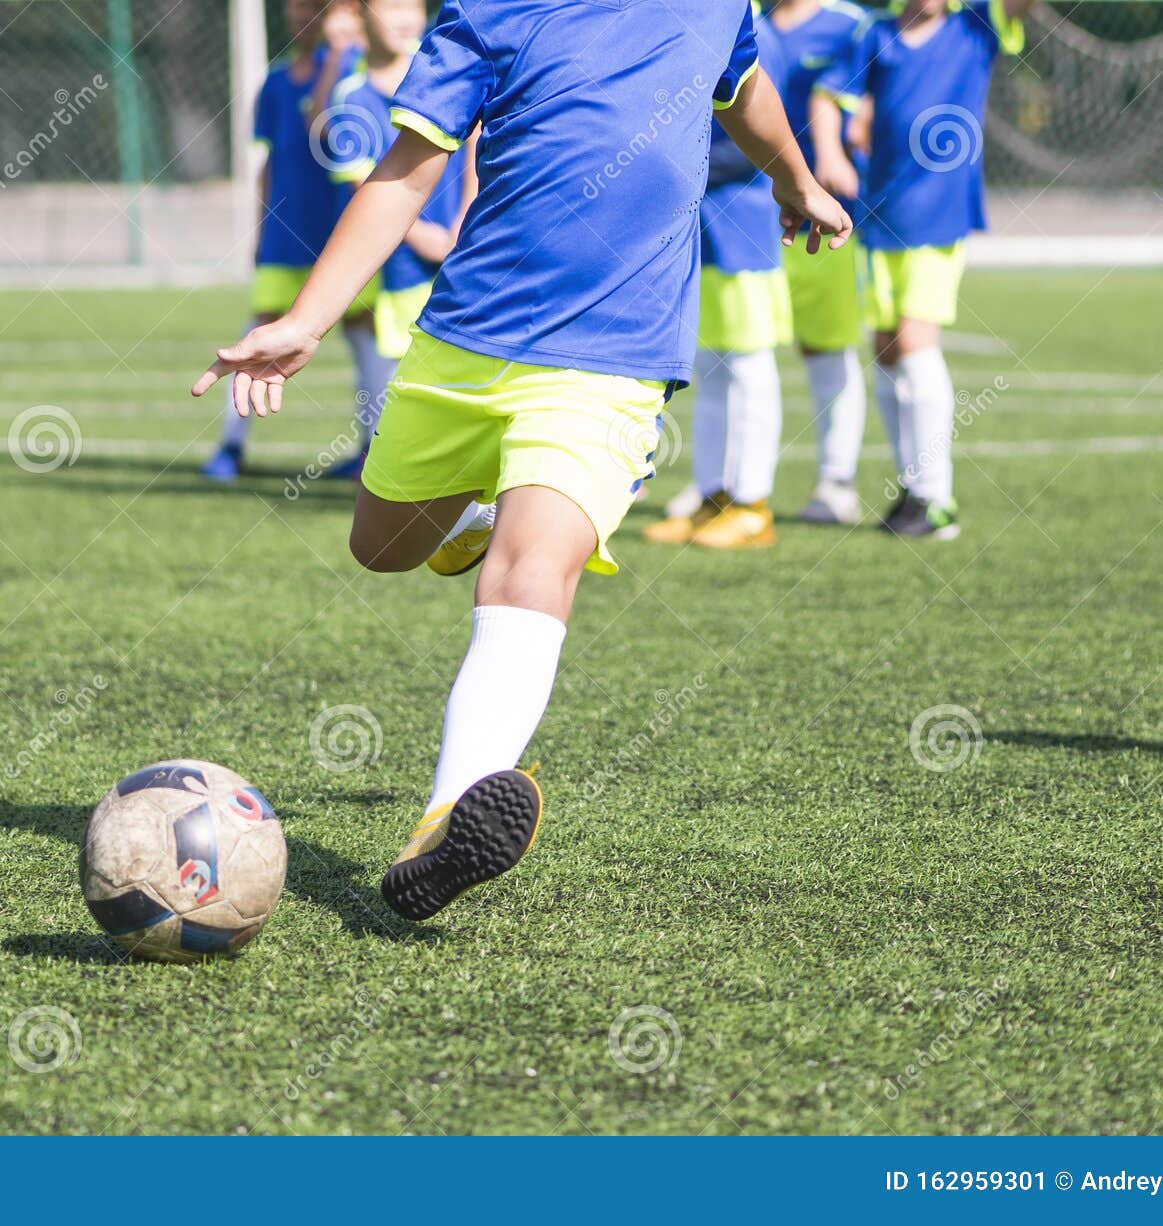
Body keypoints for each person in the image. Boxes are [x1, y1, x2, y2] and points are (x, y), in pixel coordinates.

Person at [192, 0, 851, 920]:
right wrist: (306, 318)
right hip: (466, 338)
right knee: (378, 546)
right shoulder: (490, 10)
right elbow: (406, 169)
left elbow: (743, 88)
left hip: (612, 362)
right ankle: (473, 514)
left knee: (533, 565)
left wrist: (795, 177)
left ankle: (447, 818)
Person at [812, 0, 1035, 538]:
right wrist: (831, 154)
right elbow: (827, 97)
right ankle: (912, 488)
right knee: (886, 348)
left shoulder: (975, 27)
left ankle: (938, 498)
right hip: (880, 215)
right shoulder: (876, 34)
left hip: (940, 218)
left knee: (914, 342)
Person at [201, 0, 383, 485]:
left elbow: (323, 127)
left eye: (314, 8)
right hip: (285, 235)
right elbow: (267, 162)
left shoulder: (354, 71)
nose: (303, 16)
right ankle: (230, 447)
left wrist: (343, 53)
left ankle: (371, 448)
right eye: (296, 8)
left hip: (340, 234)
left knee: (363, 330)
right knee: (258, 331)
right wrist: (261, 230)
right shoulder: (276, 82)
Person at [645, 6, 794, 551]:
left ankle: (752, 503)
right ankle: (715, 496)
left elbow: (754, 137)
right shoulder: (695, 23)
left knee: (750, 367)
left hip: (745, 228)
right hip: (702, 224)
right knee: (712, 366)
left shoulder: (751, 32)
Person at [318, 0, 478, 477]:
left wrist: (463, 222)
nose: (406, 17)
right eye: (392, 6)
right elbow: (366, 187)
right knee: (402, 386)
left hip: (465, 255)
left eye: (413, 5)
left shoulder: (440, 66)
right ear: (362, 14)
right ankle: (384, 461)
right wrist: (420, 234)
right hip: (403, 268)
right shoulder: (350, 97)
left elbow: (476, 142)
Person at [770, 0, 871, 526]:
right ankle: (720, 491)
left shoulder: (852, 24)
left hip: (826, 222)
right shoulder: (749, 20)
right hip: (743, 214)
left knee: (826, 348)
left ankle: (837, 482)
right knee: (736, 354)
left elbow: (881, 95)